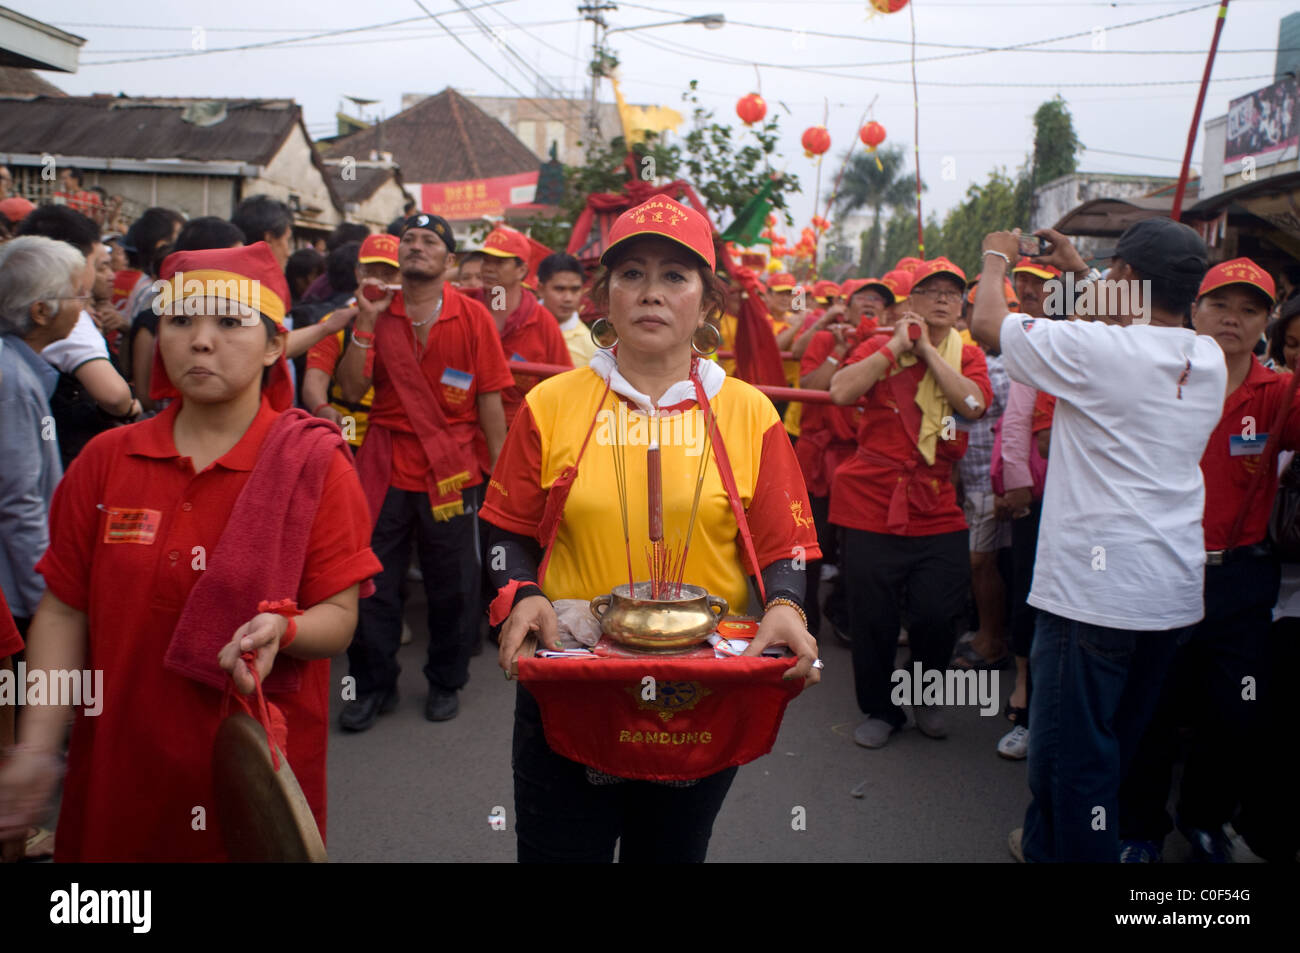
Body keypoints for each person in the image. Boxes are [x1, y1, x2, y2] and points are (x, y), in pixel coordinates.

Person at [0, 242, 381, 861]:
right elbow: (65, 611)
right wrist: (38, 748)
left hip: (251, 778)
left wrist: (284, 629)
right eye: (180, 320)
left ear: (274, 345)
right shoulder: (106, 460)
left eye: (230, 322)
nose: (200, 341)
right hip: (120, 766)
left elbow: (338, 618)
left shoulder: (313, 463)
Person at [481, 195, 821, 863]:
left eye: (675, 276)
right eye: (632, 273)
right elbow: (504, 528)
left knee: (671, 852)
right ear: (605, 294)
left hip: (699, 693)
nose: (651, 293)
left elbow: (786, 543)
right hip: (575, 684)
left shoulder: (750, 413)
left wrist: (786, 604)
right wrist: (521, 594)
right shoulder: (551, 405)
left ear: (708, 300)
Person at [971, 221, 1226, 864]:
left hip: (1094, 598)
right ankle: (1042, 848)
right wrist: (1081, 269)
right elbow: (1131, 327)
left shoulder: (1096, 350)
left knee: (1072, 767)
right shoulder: (1207, 357)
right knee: (1105, 750)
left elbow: (988, 324)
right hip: (1168, 594)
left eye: (1114, 272)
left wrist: (996, 258)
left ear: (1130, 279)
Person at [1119, 258, 1293, 862]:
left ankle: (1205, 820)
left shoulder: (1280, 394)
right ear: (1195, 310)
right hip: (1161, 566)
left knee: (1234, 709)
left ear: (1267, 323)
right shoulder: (1159, 376)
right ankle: (1139, 828)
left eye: (1249, 310)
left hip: (1240, 581)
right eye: (1220, 305)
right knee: (1153, 707)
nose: (1232, 319)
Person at [334, 213, 512, 730]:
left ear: (449, 260)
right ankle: (373, 686)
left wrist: (501, 482)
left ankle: (445, 681)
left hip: (451, 469)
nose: (416, 246)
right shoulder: (374, 310)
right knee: (373, 581)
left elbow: (489, 401)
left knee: (453, 582)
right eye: (408, 240)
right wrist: (365, 325)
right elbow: (350, 391)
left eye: (429, 241)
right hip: (384, 465)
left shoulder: (473, 318)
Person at [829, 257, 992, 748]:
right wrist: (897, 347)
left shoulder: (968, 355)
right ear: (911, 301)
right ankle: (880, 709)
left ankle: (924, 695)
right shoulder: (881, 346)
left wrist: (928, 353)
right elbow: (841, 392)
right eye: (932, 290)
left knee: (937, 614)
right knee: (873, 619)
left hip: (936, 503)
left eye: (952, 292)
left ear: (961, 306)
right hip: (870, 502)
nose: (943, 298)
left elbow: (973, 406)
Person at [0, 236, 85, 633]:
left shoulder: (19, 369)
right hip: (16, 594)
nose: (84, 306)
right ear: (41, 311)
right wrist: (45, 602)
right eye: (77, 295)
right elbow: (18, 501)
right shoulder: (13, 382)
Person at [17, 206, 140, 460]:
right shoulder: (68, 318)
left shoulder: (17, 299)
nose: (108, 275)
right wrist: (130, 408)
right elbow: (113, 395)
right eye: (97, 265)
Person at [303, 233, 399, 447]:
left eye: (388, 274)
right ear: (358, 274)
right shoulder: (337, 322)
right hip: (350, 434)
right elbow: (315, 379)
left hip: (397, 438)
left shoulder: (415, 322)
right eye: (370, 272)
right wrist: (321, 408)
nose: (377, 281)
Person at [476, 226, 572, 429]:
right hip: (468, 430)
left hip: (522, 429)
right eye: (486, 260)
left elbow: (565, 384)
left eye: (499, 262)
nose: (489, 268)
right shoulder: (466, 308)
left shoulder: (541, 321)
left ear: (521, 271)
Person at [537, 252, 595, 368]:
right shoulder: (517, 324)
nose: (568, 298)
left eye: (575, 290)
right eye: (560, 289)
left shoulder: (591, 348)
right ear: (541, 289)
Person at [232, 194, 294, 269]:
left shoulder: (224, 271)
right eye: (287, 240)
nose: (288, 254)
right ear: (269, 239)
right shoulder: (261, 276)